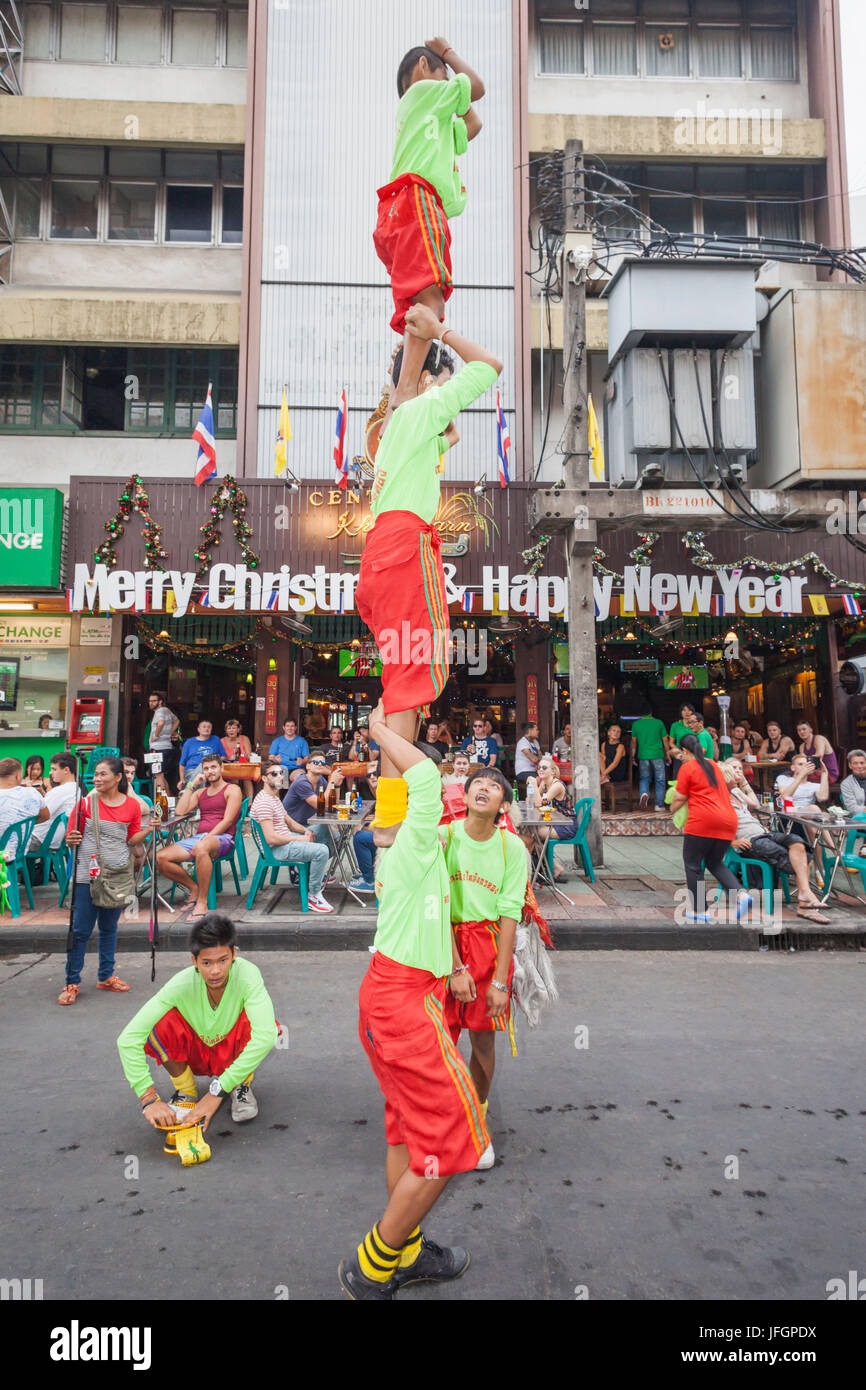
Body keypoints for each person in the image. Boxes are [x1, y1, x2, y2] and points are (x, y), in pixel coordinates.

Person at [339, 700, 489, 1301]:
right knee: (456, 1139)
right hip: (403, 1006)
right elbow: (422, 777)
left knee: (405, 1132)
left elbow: (401, 787)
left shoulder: (403, 853)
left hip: (387, 997)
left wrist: (394, 719)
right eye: (456, 800)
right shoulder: (419, 846)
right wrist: (379, 728)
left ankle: (407, 1246)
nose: (455, 803)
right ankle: (373, 1264)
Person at [355, 306, 502, 823]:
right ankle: (394, 815)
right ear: (425, 380)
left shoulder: (401, 423)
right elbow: (489, 366)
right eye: (441, 380)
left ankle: (391, 813)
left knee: (404, 685)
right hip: (402, 550)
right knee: (410, 681)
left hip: (382, 554)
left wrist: (415, 366)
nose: (446, 389)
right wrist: (439, 333)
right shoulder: (416, 413)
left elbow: (452, 436)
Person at [374, 37, 485, 419]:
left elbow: (473, 123)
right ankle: (404, 391)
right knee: (431, 303)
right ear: (424, 67)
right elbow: (479, 87)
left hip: (399, 209)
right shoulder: (423, 92)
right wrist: (450, 52)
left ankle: (400, 394)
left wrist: (454, 86)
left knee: (423, 307)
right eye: (444, 74)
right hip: (416, 200)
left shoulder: (429, 119)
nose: (449, 81)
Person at [117, 913, 280, 1128]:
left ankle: (239, 1084)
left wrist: (217, 1091)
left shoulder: (248, 975)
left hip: (231, 1051)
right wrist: (149, 1099)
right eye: (206, 962)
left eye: (223, 960)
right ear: (194, 961)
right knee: (159, 1025)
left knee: (262, 1025)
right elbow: (128, 1039)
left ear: (233, 955)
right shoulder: (180, 984)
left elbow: (266, 1036)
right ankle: (186, 1091)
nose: (215, 971)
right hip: (197, 1051)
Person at [442, 767, 525, 1164]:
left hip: (488, 947)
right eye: (478, 783)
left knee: (483, 1039)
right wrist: (455, 968)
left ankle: (476, 1119)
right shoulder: (444, 838)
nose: (484, 789)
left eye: (494, 786)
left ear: (503, 805)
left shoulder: (513, 848)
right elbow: (435, 904)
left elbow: (511, 913)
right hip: (440, 944)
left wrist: (500, 981)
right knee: (435, 1041)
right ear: (464, 793)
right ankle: (439, 1117)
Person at [59, 757, 159, 1005]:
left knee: (109, 928)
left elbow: (132, 839)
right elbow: (71, 838)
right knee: (80, 930)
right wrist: (71, 839)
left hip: (117, 875)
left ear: (118, 778)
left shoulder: (132, 806)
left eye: (104, 774)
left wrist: (150, 829)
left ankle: (106, 975)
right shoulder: (83, 804)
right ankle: (72, 981)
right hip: (87, 875)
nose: (97, 778)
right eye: (96, 774)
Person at [720, 759, 829, 925]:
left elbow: (755, 804)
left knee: (797, 841)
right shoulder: (717, 799)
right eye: (732, 772)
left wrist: (741, 784)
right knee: (802, 858)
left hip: (764, 834)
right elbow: (709, 826)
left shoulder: (735, 792)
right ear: (723, 778)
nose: (738, 774)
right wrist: (730, 843)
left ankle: (804, 893)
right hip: (750, 841)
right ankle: (806, 906)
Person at [669, 734, 750, 925]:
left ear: (685, 751)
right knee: (714, 863)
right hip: (728, 820)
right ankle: (740, 895)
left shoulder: (687, 768)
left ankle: (700, 911)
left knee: (692, 864)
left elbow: (680, 797)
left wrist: (671, 809)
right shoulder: (712, 764)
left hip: (703, 821)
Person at [156, 753, 242, 925]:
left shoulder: (232, 789)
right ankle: (193, 888)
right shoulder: (200, 792)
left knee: (202, 848)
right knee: (160, 857)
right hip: (199, 838)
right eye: (206, 769)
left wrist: (205, 840)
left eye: (213, 767)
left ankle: (202, 902)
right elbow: (180, 811)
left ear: (221, 768)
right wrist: (191, 785)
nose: (210, 771)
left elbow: (228, 820)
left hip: (222, 838)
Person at [250, 763, 333, 913]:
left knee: (325, 829)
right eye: (274, 774)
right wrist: (301, 839)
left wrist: (304, 831)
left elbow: (288, 821)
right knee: (321, 851)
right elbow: (271, 839)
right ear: (264, 778)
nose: (280, 776)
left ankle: (312, 872)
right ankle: (313, 895)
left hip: (286, 839)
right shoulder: (264, 802)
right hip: (276, 849)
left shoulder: (273, 797)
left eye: (281, 773)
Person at [522, 755, 578, 882]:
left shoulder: (556, 785)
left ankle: (551, 868)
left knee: (533, 835)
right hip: (555, 820)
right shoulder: (544, 783)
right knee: (529, 832)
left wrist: (534, 785)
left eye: (544, 767)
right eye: (539, 767)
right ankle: (547, 867)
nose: (540, 769)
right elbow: (531, 801)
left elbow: (538, 803)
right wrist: (533, 788)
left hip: (567, 825)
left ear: (553, 771)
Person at [282, 754, 344, 846]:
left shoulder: (321, 780)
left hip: (307, 826)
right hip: (292, 828)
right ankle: (315, 856)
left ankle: (320, 857)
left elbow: (331, 804)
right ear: (308, 766)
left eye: (322, 763)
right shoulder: (301, 782)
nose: (320, 764)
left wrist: (337, 785)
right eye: (316, 762)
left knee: (339, 837)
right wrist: (332, 781)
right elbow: (320, 805)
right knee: (328, 830)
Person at [27, 751, 79, 854]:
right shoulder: (77, 789)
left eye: (54, 769)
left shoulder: (60, 791)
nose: (50, 772)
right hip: (58, 841)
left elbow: (37, 814)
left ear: (66, 770)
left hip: (40, 840)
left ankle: (17, 870)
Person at [0, 756, 49, 862]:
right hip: (18, 852)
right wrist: (21, 823)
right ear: (18, 776)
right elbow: (45, 816)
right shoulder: (32, 792)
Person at [631, 709, 669, 812]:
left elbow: (634, 742)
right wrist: (668, 754)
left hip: (643, 756)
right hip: (657, 754)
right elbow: (665, 739)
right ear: (651, 712)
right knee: (660, 780)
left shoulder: (636, 724)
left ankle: (644, 793)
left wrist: (633, 756)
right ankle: (659, 805)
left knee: (644, 778)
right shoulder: (659, 722)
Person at [148, 691, 180, 796]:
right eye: (150, 701)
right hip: (166, 747)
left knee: (158, 776)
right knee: (161, 775)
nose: (151, 703)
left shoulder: (160, 711)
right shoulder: (167, 710)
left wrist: (156, 735)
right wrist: (170, 732)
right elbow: (177, 721)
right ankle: (169, 801)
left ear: (160, 702)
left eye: (154, 701)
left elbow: (160, 723)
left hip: (157, 748)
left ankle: (161, 804)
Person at [178, 719, 225, 790]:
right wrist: (181, 779)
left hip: (211, 770)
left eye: (209, 727)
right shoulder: (189, 742)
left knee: (204, 765)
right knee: (202, 767)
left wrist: (211, 762)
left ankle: (186, 791)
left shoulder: (216, 739)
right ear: (198, 729)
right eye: (204, 727)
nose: (207, 728)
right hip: (191, 771)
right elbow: (182, 763)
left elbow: (223, 757)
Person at [220, 717, 255, 803]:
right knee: (234, 779)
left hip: (243, 767)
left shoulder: (244, 739)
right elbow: (219, 757)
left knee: (247, 777)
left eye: (234, 728)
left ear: (238, 730)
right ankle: (234, 802)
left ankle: (249, 804)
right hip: (228, 768)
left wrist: (241, 755)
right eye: (229, 728)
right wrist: (228, 758)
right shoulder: (222, 741)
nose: (231, 730)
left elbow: (248, 755)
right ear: (226, 730)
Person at [514, 721, 541, 797]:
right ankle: (535, 801)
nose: (538, 732)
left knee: (547, 777)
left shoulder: (535, 742)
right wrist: (537, 758)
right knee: (539, 780)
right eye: (536, 729)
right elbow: (534, 759)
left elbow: (540, 757)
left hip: (534, 770)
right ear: (530, 731)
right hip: (523, 771)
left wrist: (538, 758)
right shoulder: (522, 743)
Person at [840, 749, 866, 816]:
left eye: (862, 763)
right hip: (859, 817)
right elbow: (852, 808)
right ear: (850, 765)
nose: (859, 766)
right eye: (855, 763)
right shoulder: (846, 784)